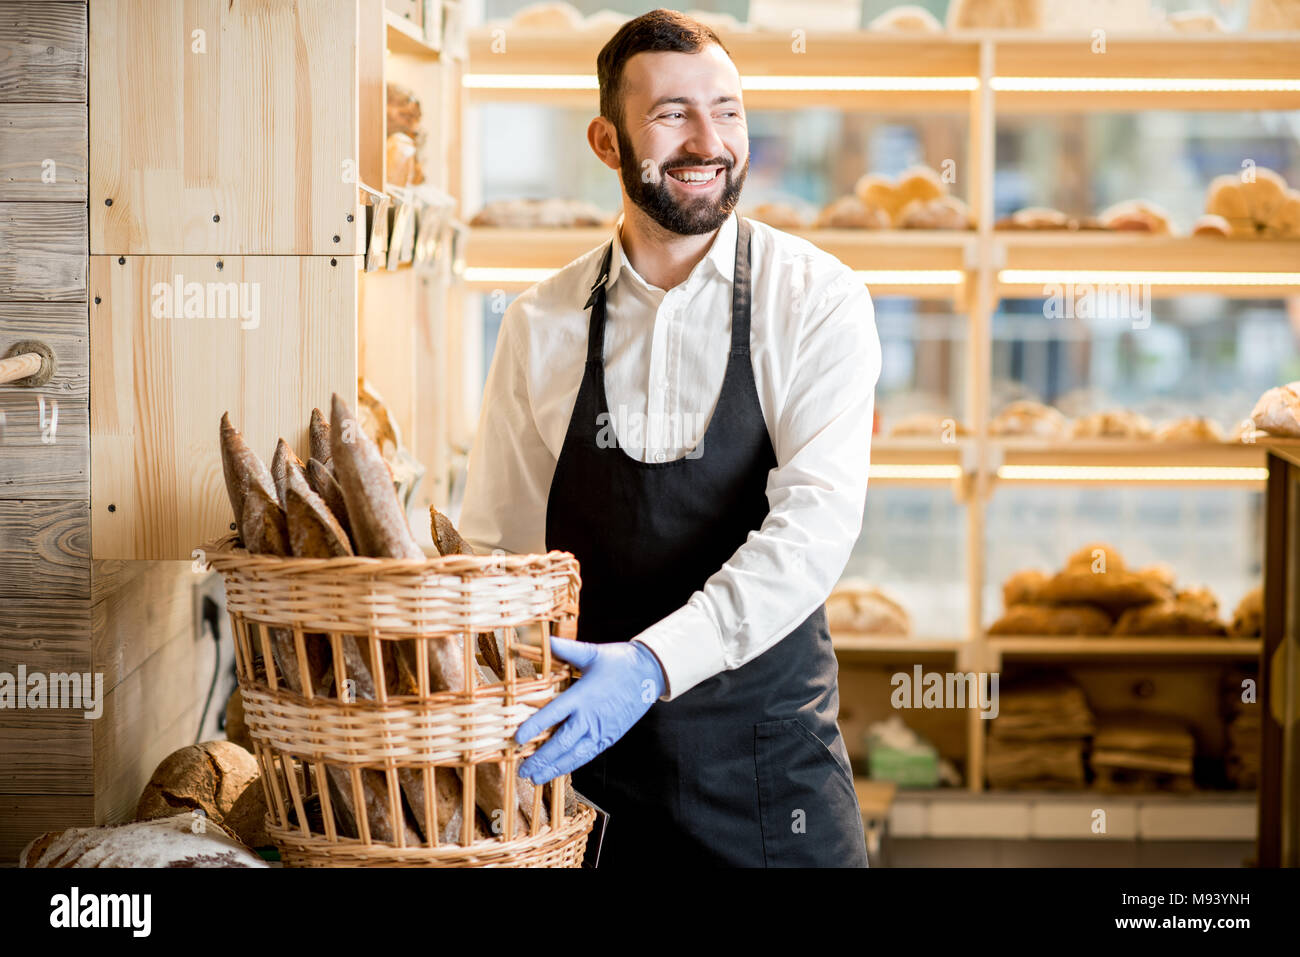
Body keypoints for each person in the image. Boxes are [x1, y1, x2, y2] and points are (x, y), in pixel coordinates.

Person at [459, 8, 880, 867]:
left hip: (772, 787)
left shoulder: (815, 301)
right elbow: (497, 553)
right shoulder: (540, 323)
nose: (707, 140)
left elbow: (813, 533)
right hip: (586, 785)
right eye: (670, 114)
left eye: (726, 110)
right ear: (607, 143)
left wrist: (651, 666)